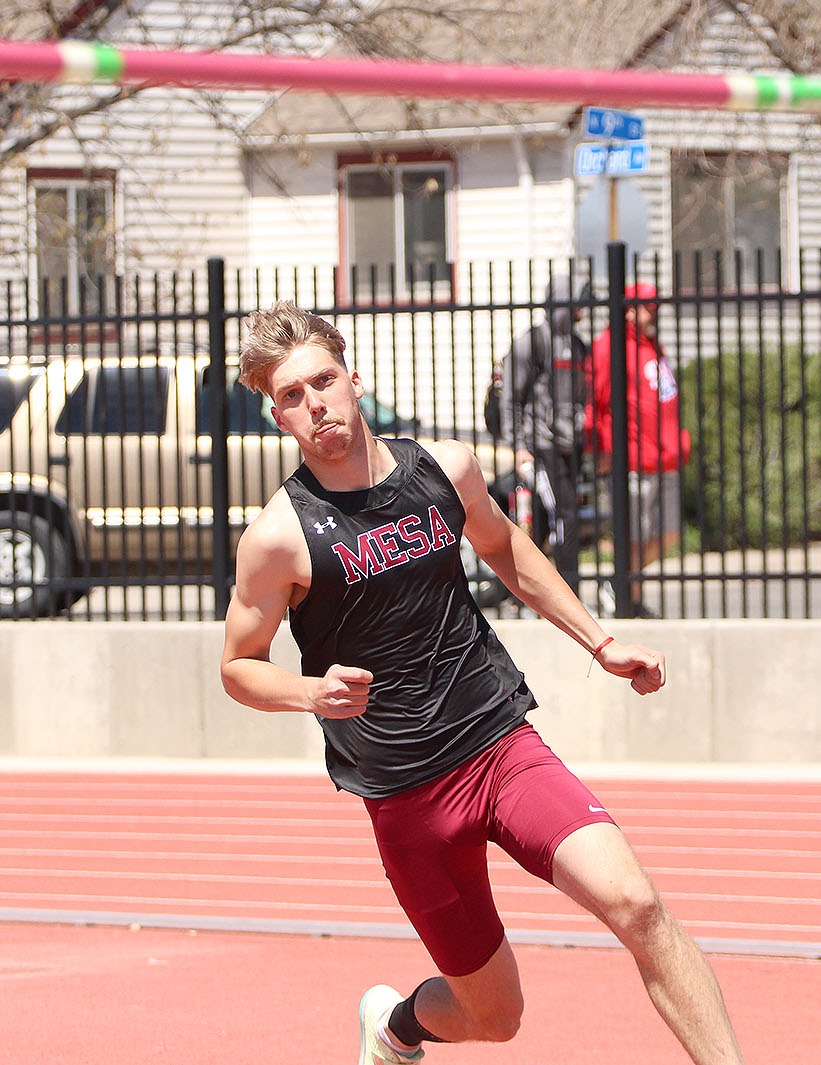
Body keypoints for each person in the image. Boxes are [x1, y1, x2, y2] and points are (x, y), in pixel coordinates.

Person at [217, 302, 745, 1065]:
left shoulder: (446, 468)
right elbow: (238, 666)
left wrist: (599, 640)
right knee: (495, 1016)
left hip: (499, 744)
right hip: (408, 794)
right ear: (278, 418)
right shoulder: (279, 537)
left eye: (323, 381)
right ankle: (395, 1030)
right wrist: (309, 691)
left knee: (637, 901)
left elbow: (509, 550)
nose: (315, 404)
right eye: (292, 396)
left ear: (354, 379)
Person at [585, 281, 690, 615]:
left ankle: (619, 582)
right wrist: (600, 449)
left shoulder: (653, 345)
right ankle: (629, 596)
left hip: (665, 457)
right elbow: (596, 403)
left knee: (670, 533)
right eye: (647, 307)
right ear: (628, 310)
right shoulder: (608, 347)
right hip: (633, 458)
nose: (653, 313)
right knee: (633, 536)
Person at [498, 272, 593, 587]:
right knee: (555, 517)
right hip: (542, 447)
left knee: (554, 519)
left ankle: (534, 591)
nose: (583, 311)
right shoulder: (534, 342)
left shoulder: (579, 346)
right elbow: (512, 397)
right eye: (577, 304)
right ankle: (563, 588)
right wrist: (518, 446)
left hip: (572, 447)